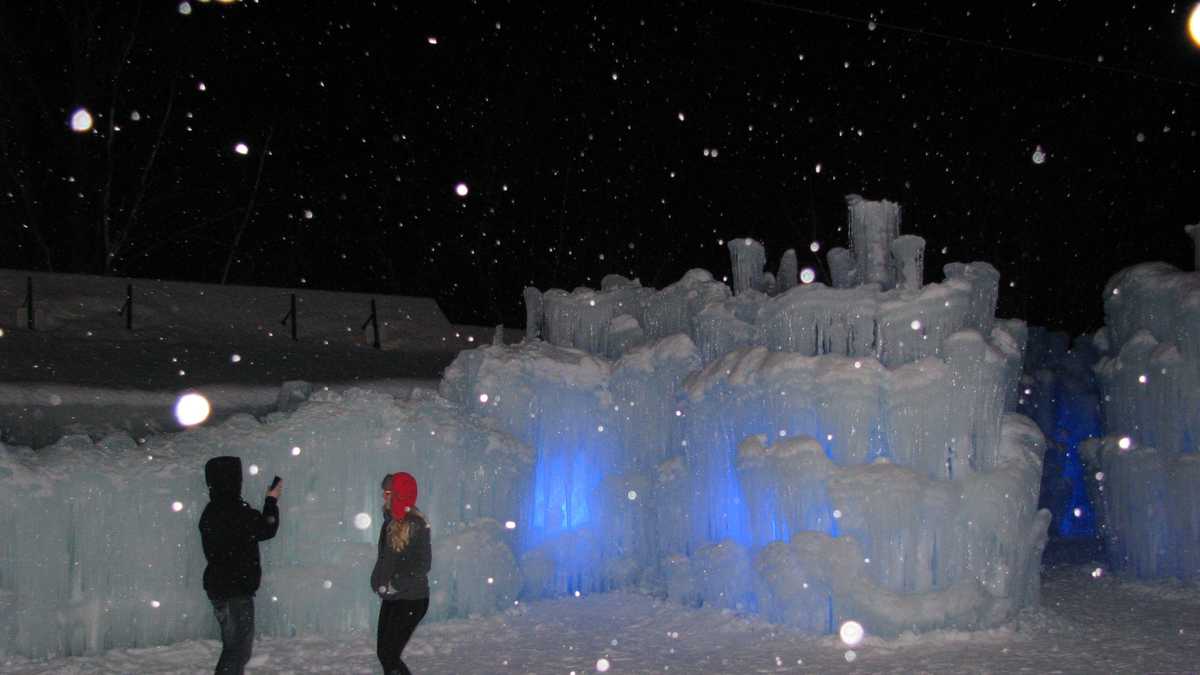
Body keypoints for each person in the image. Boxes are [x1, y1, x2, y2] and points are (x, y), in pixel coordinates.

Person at [199, 456, 282, 675]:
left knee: (233, 648)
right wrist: (271, 500)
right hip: (235, 590)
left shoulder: (211, 511)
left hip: (220, 588)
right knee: (237, 651)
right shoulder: (234, 509)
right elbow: (266, 529)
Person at [370, 471, 431, 675]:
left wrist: (396, 583)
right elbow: (386, 558)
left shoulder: (415, 524)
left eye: (388, 491)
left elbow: (423, 565)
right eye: (384, 492)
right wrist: (378, 579)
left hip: (412, 599)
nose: (384, 496)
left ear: (399, 494)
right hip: (393, 597)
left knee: (389, 655)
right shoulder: (390, 522)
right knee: (384, 653)